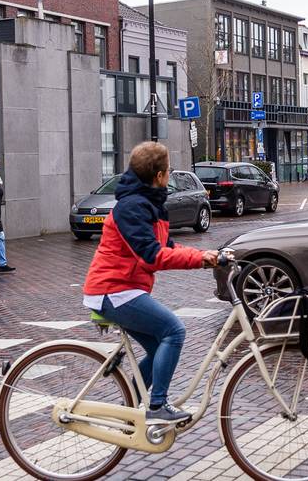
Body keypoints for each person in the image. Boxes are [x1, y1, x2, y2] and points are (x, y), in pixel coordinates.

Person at [83, 142, 218, 424]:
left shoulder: (149, 204)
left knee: (159, 345)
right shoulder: (132, 207)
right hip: (113, 290)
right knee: (174, 331)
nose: (169, 174)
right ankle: (157, 405)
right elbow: (152, 256)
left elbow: (167, 246)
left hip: (125, 289)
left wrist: (205, 255)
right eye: (168, 169)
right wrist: (199, 259)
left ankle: (131, 405)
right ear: (159, 175)